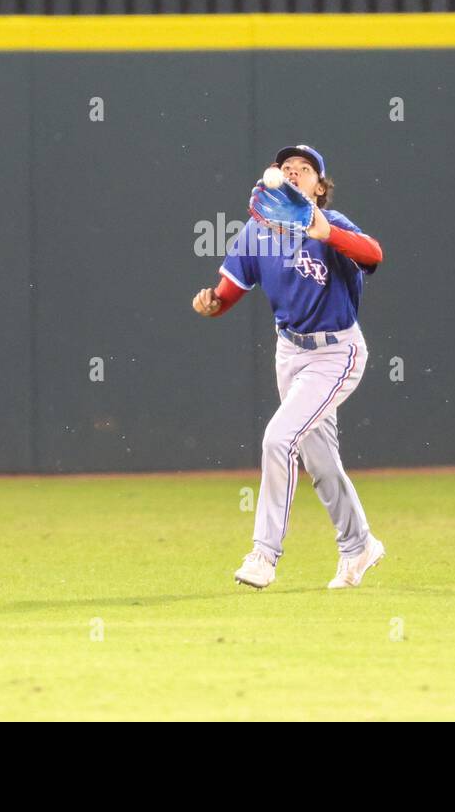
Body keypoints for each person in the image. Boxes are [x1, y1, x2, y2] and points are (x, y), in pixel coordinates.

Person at [191, 144, 386, 590]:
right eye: (286, 167)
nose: (293, 173)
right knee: (321, 461)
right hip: (290, 353)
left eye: (304, 169)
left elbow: (374, 254)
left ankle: (264, 555)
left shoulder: (331, 226)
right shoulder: (256, 233)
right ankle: (359, 545)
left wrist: (325, 233)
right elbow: (228, 292)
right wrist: (212, 302)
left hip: (336, 352)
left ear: (320, 187)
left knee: (278, 439)